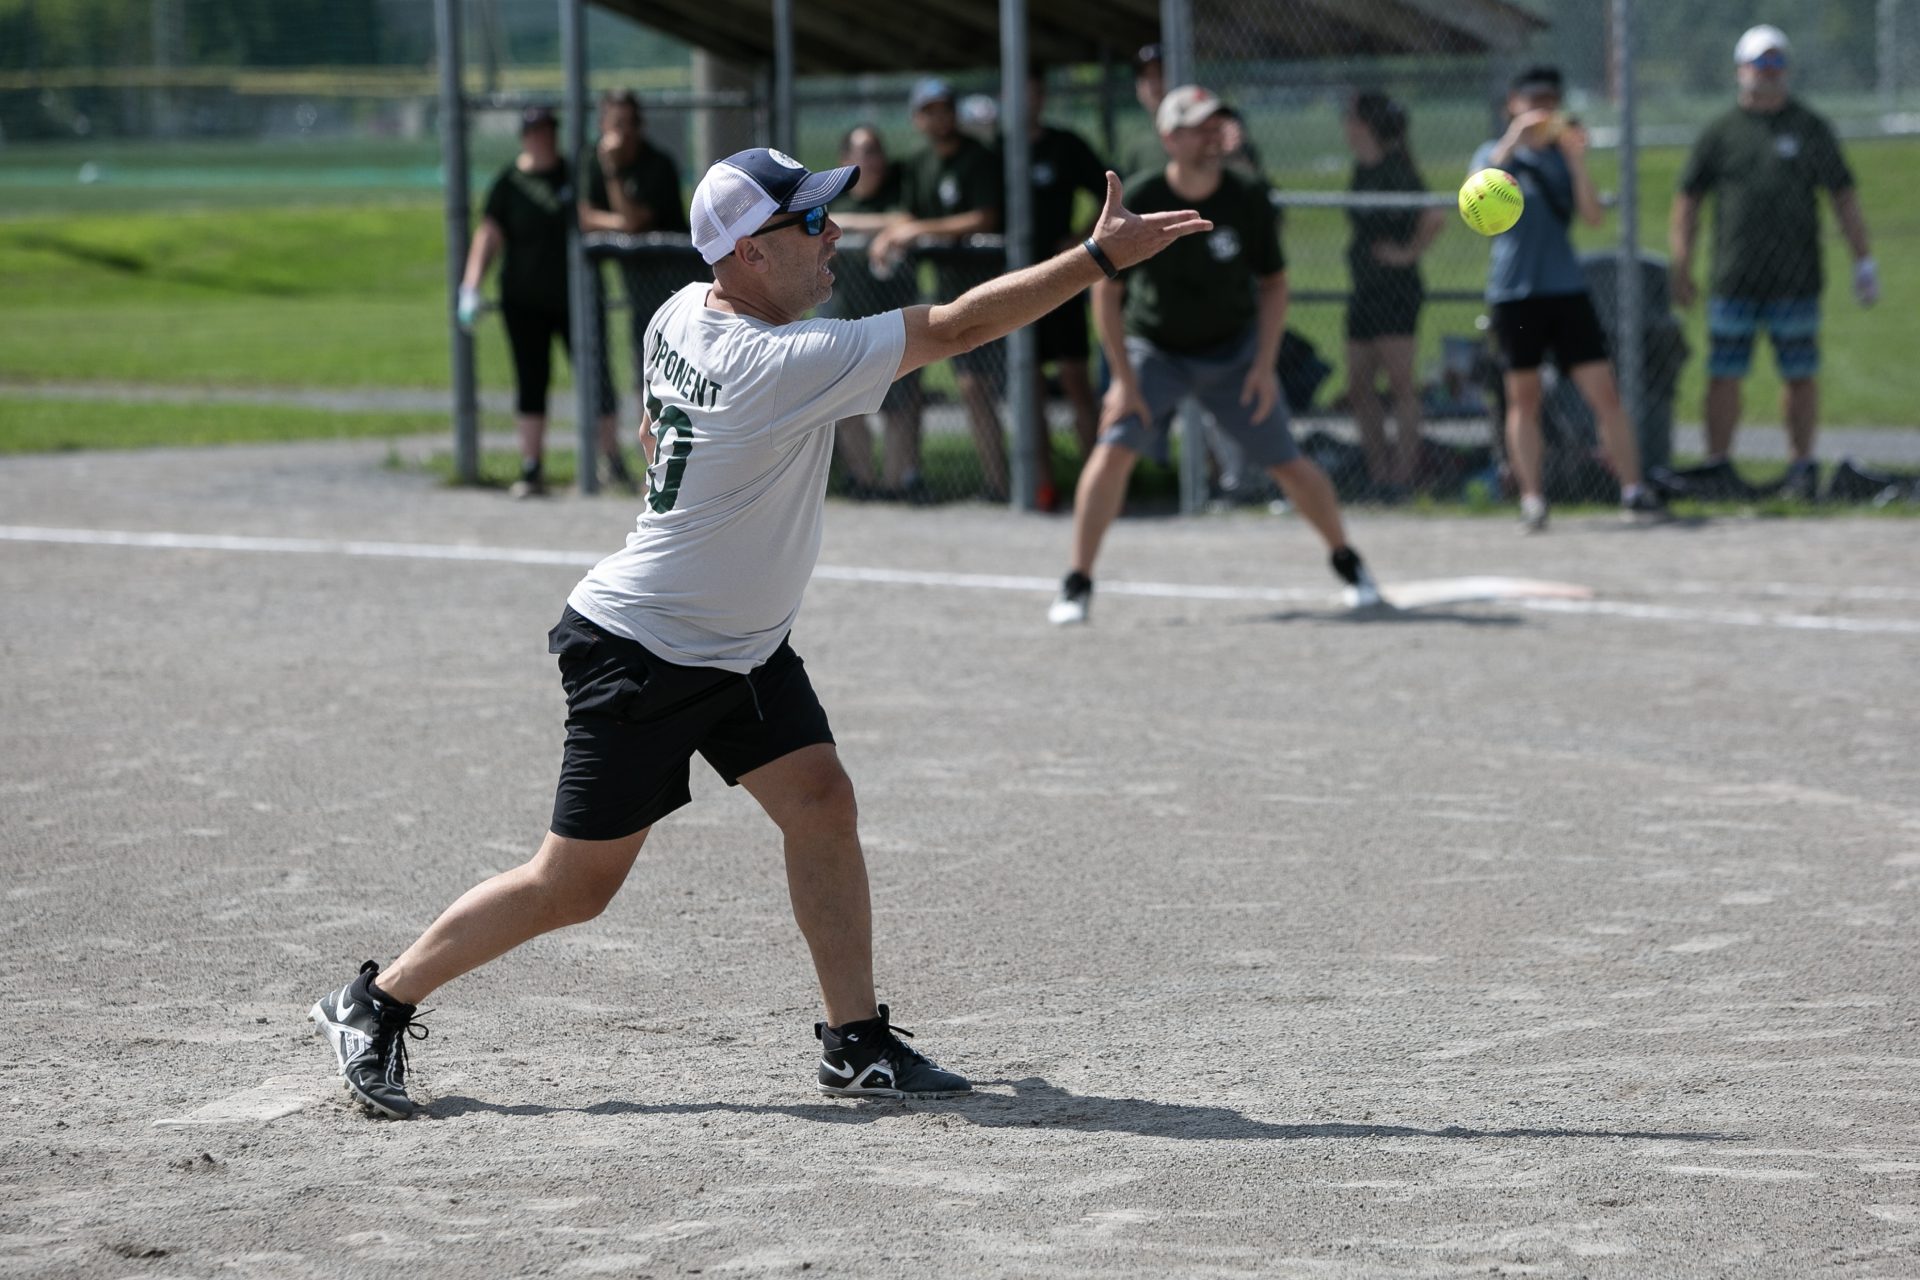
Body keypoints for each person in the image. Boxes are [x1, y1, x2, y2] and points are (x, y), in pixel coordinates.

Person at [309, 147, 1214, 1118]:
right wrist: (1097, 258)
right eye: (810, 224)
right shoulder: (777, 361)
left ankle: (855, 1040)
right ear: (745, 253)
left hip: (735, 644)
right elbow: (962, 325)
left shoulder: (681, 313)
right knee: (573, 884)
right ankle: (375, 999)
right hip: (644, 650)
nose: (834, 239)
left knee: (821, 800)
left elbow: (660, 435)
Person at [1048, 86, 1382, 627]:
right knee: (1111, 454)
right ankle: (1076, 583)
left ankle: (1350, 564)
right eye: (1199, 127)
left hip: (1233, 351)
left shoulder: (1245, 193)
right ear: (1169, 138)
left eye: (1217, 125)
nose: (1212, 136)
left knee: (1289, 464)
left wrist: (1262, 366)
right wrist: (1124, 380)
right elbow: (1104, 290)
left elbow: (1274, 283)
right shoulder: (1146, 192)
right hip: (1156, 350)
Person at [1668, 24, 1878, 502]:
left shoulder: (1809, 126)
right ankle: (1719, 465)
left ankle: (1801, 468)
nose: (1768, 73)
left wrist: (1863, 260)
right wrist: (1682, 263)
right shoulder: (1722, 132)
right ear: (1741, 69)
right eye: (1759, 63)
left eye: (1776, 63)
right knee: (1724, 373)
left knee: (1799, 374)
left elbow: (1843, 196)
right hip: (1733, 278)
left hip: (1796, 279)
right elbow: (1688, 201)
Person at [1470, 66, 1665, 531]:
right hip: (1516, 292)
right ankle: (1533, 498)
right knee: (1524, 397)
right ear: (1512, 104)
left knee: (1604, 391)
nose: (1543, 109)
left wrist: (1576, 159)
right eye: (1532, 100)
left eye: (1551, 100)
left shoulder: (1561, 155)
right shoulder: (1495, 156)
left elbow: (1593, 216)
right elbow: (1476, 204)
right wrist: (1514, 141)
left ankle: (1632, 489)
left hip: (1564, 288)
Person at [459, 105, 621, 500]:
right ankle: (532, 467)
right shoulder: (509, 183)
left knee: (597, 379)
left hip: (578, 299)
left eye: (548, 129)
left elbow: (603, 217)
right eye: (534, 130)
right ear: (524, 136)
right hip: (524, 301)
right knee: (531, 381)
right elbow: (488, 236)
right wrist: (471, 287)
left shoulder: (575, 177)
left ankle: (611, 461)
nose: (542, 137)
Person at [869, 79, 1010, 501]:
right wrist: (893, 233)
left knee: (977, 386)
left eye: (945, 108)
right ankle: (911, 478)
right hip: (944, 292)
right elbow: (909, 215)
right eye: (929, 110)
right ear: (917, 118)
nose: (939, 117)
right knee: (920, 377)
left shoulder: (979, 158)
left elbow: (984, 218)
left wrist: (917, 230)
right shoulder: (918, 163)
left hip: (990, 285)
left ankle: (1002, 486)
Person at [579, 89, 691, 480]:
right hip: (627, 280)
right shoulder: (592, 160)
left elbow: (635, 220)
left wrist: (613, 173)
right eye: (615, 125)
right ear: (602, 127)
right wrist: (618, 224)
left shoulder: (657, 164)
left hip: (668, 283)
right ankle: (613, 459)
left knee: (659, 373)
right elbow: (583, 216)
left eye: (629, 125)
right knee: (611, 364)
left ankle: (667, 456)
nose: (622, 135)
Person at [1343, 90, 1446, 498]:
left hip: (1395, 290)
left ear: (1365, 125)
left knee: (1401, 382)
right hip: (1363, 289)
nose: (1345, 126)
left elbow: (1434, 216)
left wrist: (1406, 254)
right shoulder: (1361, 169)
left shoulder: (1397, 169)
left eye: (1351, 119)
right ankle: (1378, 470)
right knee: (1359, 385)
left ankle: (1403, 474)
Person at [819, 125, 925, 498]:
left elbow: (909, 221)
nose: (873, 160)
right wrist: (855, 226)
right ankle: (862, 482)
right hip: (845, 318)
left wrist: (881, 230)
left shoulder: (899, 189)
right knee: (846, 403)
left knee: (899, 402)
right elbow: (826, 224)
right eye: (863, 153)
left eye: (877, 151)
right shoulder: (837, 199)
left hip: (892, 316)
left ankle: (897, 484)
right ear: (846, 161)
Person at [1024, 66, 1111, 505]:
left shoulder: (1064, 146)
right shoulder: (1000, 150)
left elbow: (1108, 192)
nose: (1027, 100)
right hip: (1015, 281)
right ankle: (1041, 483)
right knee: (1029, 384)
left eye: (1034, 91)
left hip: (1063, 275)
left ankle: (1099, 483)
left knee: (1076, 378)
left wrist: (1081, 237)